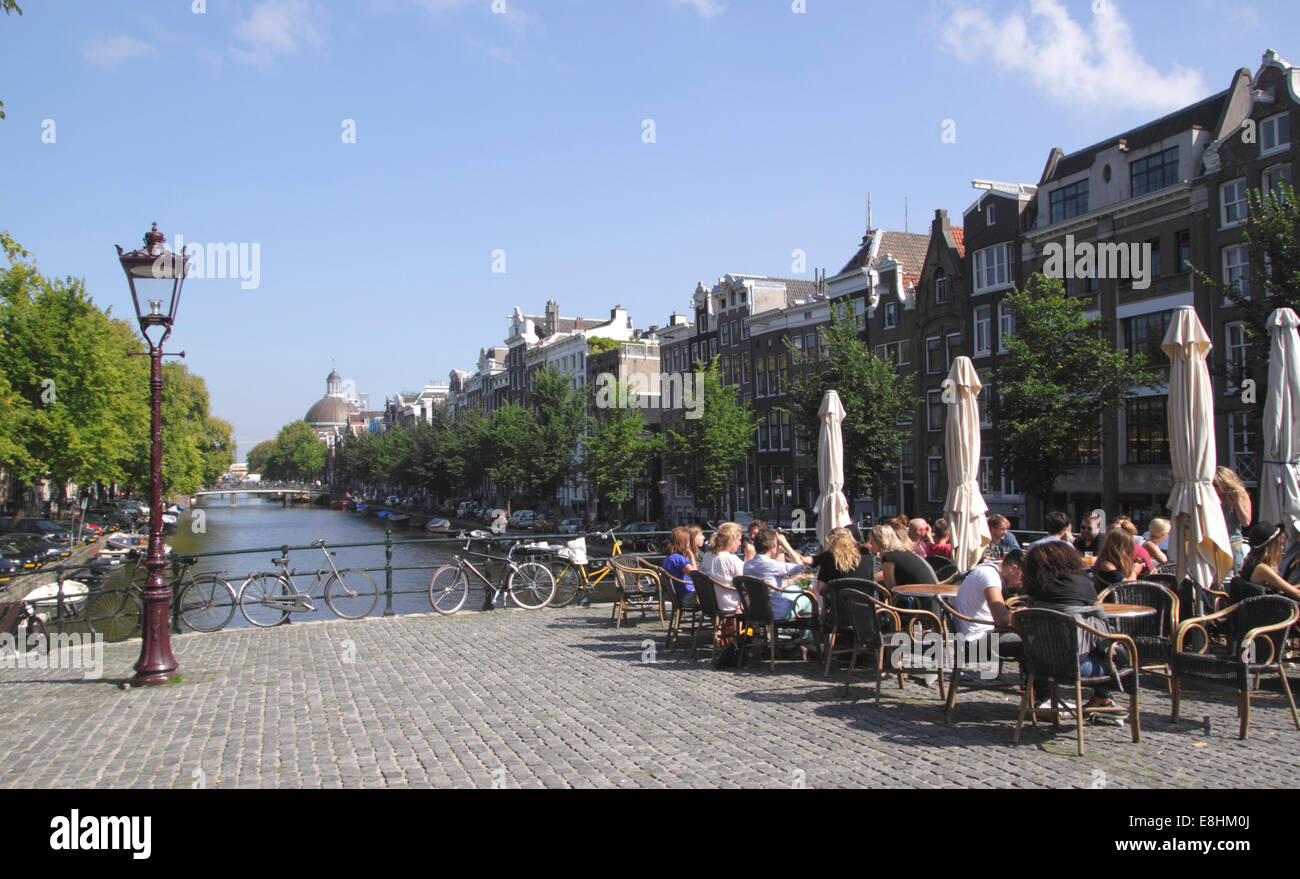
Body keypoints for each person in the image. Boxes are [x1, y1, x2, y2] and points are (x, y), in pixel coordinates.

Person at [1021, 541, 1123, 709]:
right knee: (1119, 657)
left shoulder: (1035, 587)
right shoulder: (1082, 583)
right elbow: (1103, 621)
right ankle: (1102, 697)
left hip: (1038, 663)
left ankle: (1044, 698)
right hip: (1075, 666)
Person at [951, 549, 1025, 660]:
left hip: (972, 636)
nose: (1021, 584)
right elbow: (1002, 619)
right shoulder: (991, 577)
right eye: (1022, 578)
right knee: (1032, 644)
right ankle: (1032, 677)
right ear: (1013, 568)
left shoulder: (987, 570)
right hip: (976, 642)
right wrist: (1021, 614)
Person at [742, 527, 811, 619]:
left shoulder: (747, 565)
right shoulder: (773, 565)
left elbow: (769, 585)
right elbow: (800, 565)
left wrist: (792, 581)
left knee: (792, 588)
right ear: (774, 546)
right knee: (808, 599)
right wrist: (786, 545)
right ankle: (807, 633)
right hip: (777, 612)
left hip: (755, 611)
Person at [1233, 520, 1300, 601]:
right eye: (1281, 544)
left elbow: (1284, 589)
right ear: (1272, 548)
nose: (1282, 548)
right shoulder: (1263, 569)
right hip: (1266, 611)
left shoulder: (1252, 563)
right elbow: (1296, 594)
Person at [813, 526, 878, 602]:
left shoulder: (828, 560)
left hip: (838, 610)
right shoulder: (868, 559)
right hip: (865, 608)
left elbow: (820, 589)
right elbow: (871, 586)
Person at [869, 524, 937, 591]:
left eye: (872, 540)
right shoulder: (903, 552)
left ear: (880, 541)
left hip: (920, 597)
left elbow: (891, 588)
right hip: (932, 593)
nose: (870, 543)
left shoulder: (888, 557)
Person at [1215, 466, 1253, 575]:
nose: (1215, 488)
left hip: (1233, 545)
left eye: (1217, 485)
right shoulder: (1211, 497)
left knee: (1234, 580)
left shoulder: (1240, 495)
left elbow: (1246, 522)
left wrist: (1236, 502)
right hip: (1215, 545)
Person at [700, 522, 744, 614]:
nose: (740, 543)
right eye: (739, 540)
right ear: (731, 540)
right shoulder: (731, 558)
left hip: (711, 603)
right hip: (729, 603)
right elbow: (744, 582)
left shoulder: (707, 556)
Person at [661, 526, 698, 607]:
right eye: (688, 540)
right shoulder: (679, 560)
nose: (689, 543)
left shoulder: (669, 558)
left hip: (676, 597)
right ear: (683, 541)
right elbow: (695, 576)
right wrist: (692, 557)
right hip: (686, 597)